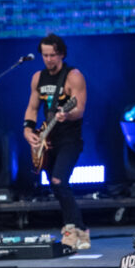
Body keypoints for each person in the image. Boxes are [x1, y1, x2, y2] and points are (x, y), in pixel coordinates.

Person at [23, 33, 90, 250]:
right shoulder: (38, 78)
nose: (49, 59)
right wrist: (28, 130)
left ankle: (71, 228)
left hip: (69, 139)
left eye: (53, 55)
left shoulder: (73, 76)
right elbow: (33, 108)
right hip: (48, 139)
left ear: (61, 53)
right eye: (45, 55)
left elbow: (79, 109)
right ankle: (80, 230)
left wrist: (66, 115)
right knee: (55, 185)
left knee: (60, 181)